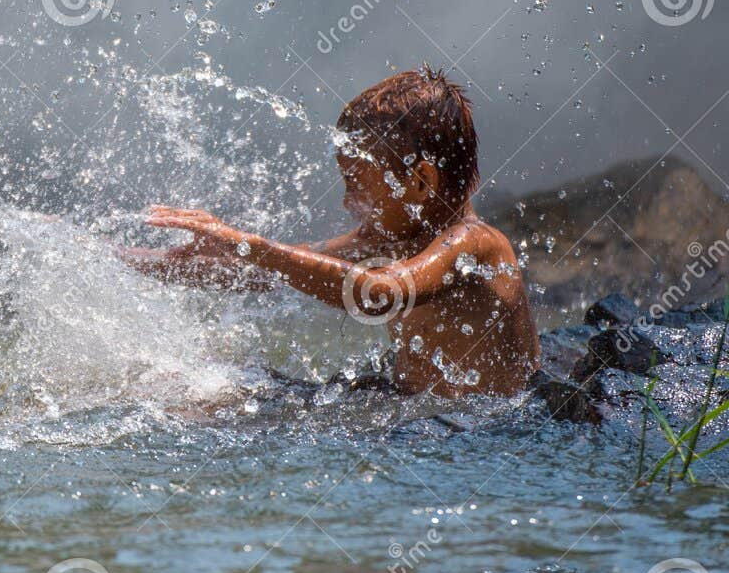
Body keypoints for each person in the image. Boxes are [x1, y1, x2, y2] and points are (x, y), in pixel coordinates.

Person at [124, 67, 538, 397]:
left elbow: (380, 295)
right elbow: (275, 270)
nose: (347, 202)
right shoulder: (387, 240)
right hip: (414, 410)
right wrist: (117, 259)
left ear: (420, 181)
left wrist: (249, 245)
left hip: (480, 431)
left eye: (356, 183)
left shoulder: (476, 245)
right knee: (217, 389)